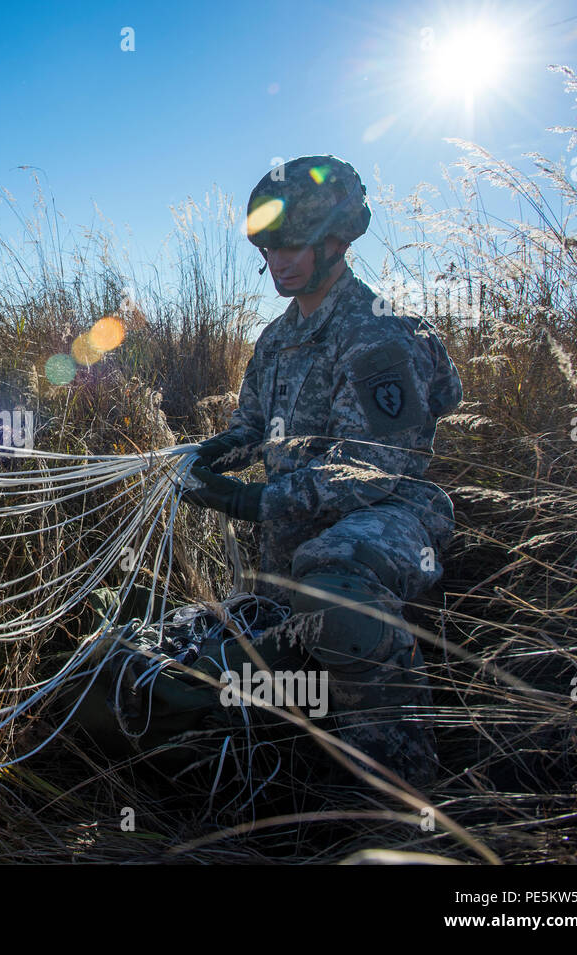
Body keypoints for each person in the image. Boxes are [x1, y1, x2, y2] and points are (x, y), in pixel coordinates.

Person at [179, 155, 463, 787]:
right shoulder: (277, 339)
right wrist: (207, 459)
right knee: (247, 652)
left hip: (385, 520)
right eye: (268, 247)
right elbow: (253, 430)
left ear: (338, 241)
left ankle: (402, 793)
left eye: (295, 245)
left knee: (337, 600)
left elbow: (373, 470)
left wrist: (248, 502)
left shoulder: (381, 333)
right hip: (295, 532)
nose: (280, 262)